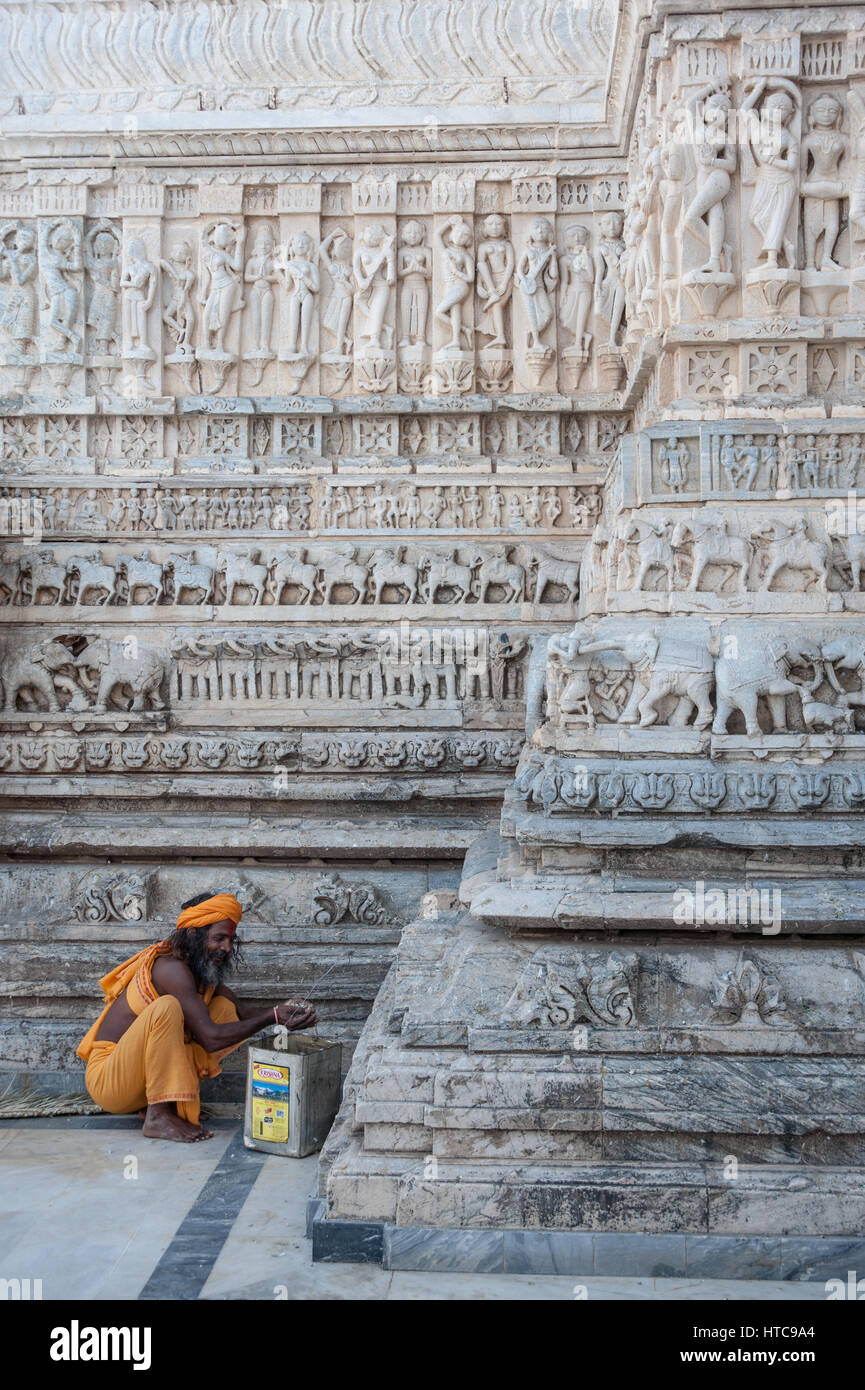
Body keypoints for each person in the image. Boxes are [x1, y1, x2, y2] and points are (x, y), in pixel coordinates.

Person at [77, 891, 316, 1143]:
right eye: (219, 938)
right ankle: (158, 1116)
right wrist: (273, 1016)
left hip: (139, 1087)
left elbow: (243, 1015)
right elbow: (211, 1038)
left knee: (224, 1008)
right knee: (166, 1007)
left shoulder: (200, 975)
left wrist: (285, 1014)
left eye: (231, 940)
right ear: (193, 934)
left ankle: (161, 1103)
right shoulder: (171, 970)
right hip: (109, 1083)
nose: (226, 948)